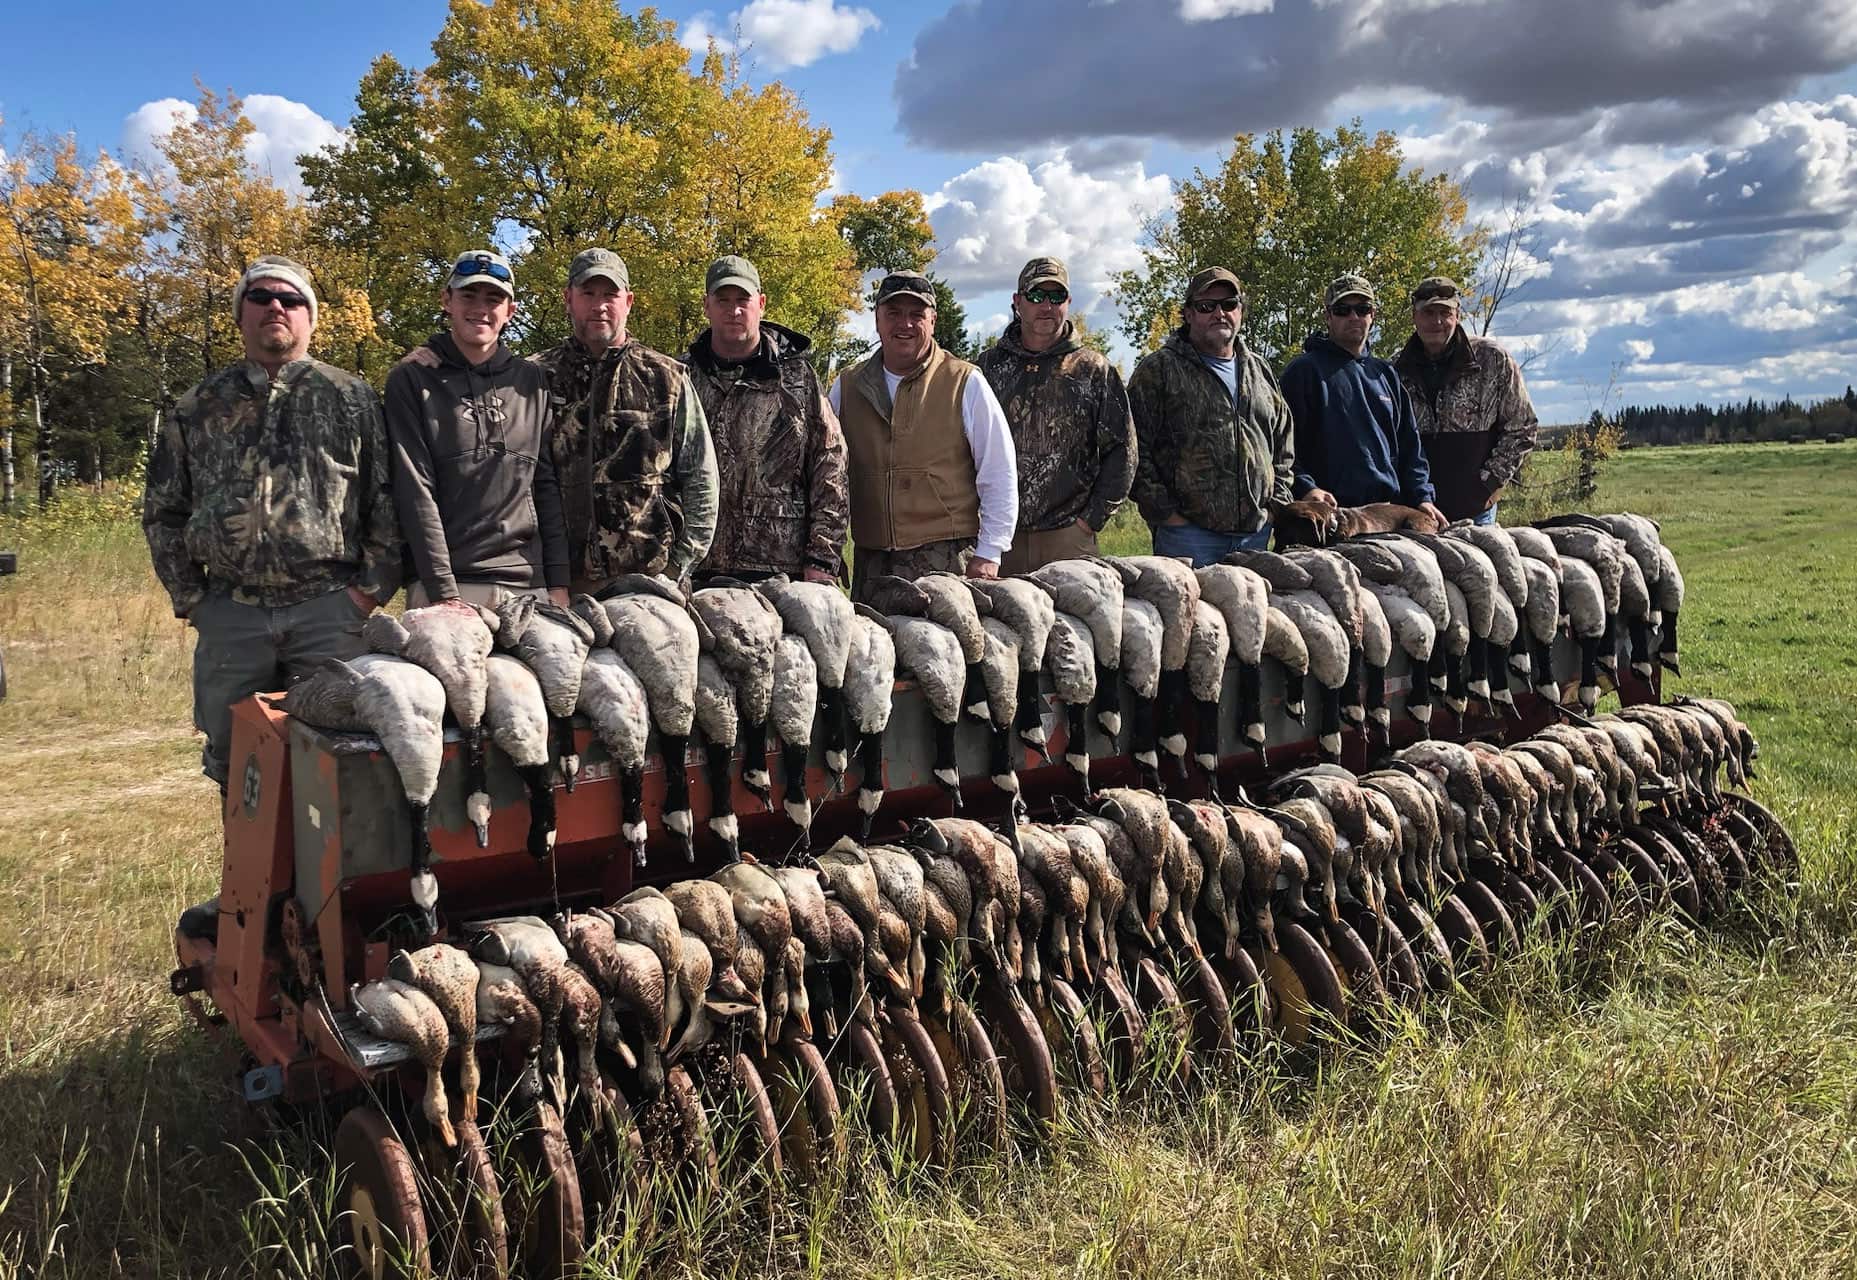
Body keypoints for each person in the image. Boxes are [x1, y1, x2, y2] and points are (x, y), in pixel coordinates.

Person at [143, 254, 401, 790]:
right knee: (239, 766)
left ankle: (328, 876)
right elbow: (164, 510)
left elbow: (386, 500)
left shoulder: (351, 399)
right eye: (260, 298)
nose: (276, 307)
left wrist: (367, 594)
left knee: (343, 764)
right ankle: (255, 875)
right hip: (231, 616)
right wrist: (192, 599)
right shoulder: (197, 407)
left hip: (330, 612)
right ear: (241, 316)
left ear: (311, 317)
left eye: (291, 299)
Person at [386, 249, 569, 608]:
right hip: (448, 585)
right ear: (447, 300)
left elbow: (545, 486)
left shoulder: (532, 382)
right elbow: (415, 491)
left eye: (494, 298)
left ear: (510, 311)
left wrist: (558, 582)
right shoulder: (413, 381)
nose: (480, 308)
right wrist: (443, 593)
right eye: (468, 295)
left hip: (526, 585)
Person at [530, 247, 718, 591]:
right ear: (568, 298)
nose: (599, 305)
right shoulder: (535, 376)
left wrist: (678, 568)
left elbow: (701, 480)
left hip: (649, 582)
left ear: (628, 301)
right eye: (588, 293)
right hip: (556, 582)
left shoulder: (667, 378)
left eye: (610, 294)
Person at [828, 271, 1018, 598]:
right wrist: (826, 550)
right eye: (894, 314)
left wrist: (990, 552)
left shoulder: (965, 382)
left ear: (933, 321)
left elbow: (999, 472)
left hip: (948, 561)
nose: (905, 324)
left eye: (917, 315)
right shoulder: (846, 386)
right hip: (872, 564)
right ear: (877, 320)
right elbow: (824, 475)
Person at [684, 255, 848, 584]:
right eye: (723, 300)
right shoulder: (682, 377)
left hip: (778, 570)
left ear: (761, 303)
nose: (734, 311)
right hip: (695, 565)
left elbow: (830, 464)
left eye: (743, 300)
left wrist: (822, 555)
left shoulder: (797, 378)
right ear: (706, 305)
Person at [1126, 266, 1295, 566]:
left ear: (1240, 311)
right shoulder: (1159, 369)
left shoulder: (1259, 370)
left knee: (1251, 614)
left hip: (1255, 536)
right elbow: (1134, 449)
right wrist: (1167, 514)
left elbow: (1283, 443)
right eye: (1207, 306)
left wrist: (1275, 506)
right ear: (1189, 314)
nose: (1220, 313)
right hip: (1188, 539)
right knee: (1190, 615)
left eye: (1229, 304)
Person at [976, 256, 1135, 574]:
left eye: (1056, 296)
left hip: (1069, 539)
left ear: (1069, 302)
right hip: (1000, 541)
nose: (1046, 306)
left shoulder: (1093, 369)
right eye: (1035, 296)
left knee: (1074, 625)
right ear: (1017, 302)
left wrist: (1089, 521)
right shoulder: (987, 368)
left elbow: (1123, 450)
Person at [1279, 274, 1445, 530]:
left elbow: (1410, 446)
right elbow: (1282, 447)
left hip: (1386, 516)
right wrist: (1306, 486)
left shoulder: (1386, 375)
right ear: (1328, 316)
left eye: (1362, 309)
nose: (1354, 317)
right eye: (1343, 310)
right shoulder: (1303, 372)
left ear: (1373, 315)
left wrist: (1422, 497)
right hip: (1327, 520)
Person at [1393, 276, 1540, 524]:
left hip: (1475, 510)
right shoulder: (1394, 369)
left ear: (1458, 314)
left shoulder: (1492, 360)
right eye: (1428, 312)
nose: (1437, 321)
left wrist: (1488, 483)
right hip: (1416, 512)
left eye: (1445, 312)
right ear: (1414, 316)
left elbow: (1523, 427)